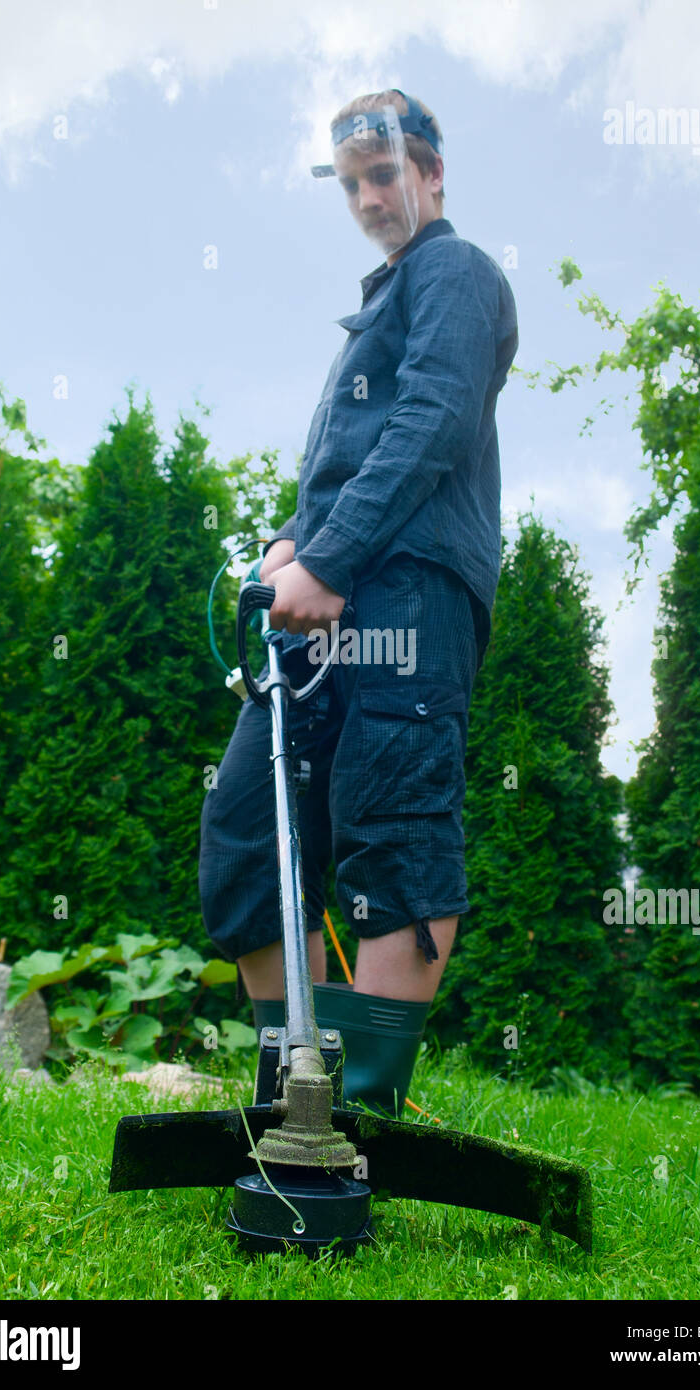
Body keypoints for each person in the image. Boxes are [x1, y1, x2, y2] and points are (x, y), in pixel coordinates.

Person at [199, 89, 518, 1114]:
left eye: (383, 174)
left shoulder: (458, 275)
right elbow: (338, 470)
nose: (369, 197)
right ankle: (297, 1083)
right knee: (246, 827)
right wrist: (293, 542)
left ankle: (361, 1109)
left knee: (391, 820)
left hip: (409, 589)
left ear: (430, 174)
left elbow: (431, 417)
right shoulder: (362, 326)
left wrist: (328, 560)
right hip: (323, 599)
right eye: (349, 185)